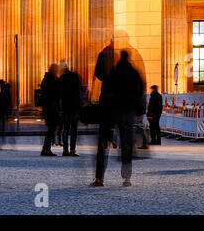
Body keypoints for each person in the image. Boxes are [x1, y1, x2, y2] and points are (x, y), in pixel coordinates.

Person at [92, 46, 145, 188]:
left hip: (111, 112)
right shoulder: (134, 73)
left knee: (103, 145)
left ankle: (99, 178)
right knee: (127, 145)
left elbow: (106, 90)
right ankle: (126, 178)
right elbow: (140, 91)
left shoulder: (113, 72)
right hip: (128, 113)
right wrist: (140, 111)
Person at [58, 61, 82, 156]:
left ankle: (65, 150)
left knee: (66, 128)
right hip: (75, 105)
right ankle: (72, 150)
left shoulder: (61, 79)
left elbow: (59, 95)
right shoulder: (75, 76)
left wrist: (60, 108)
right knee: (74, 129)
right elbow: (79, 89)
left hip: (66, 107)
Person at [39, 64, 61, 156]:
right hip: (51, 107)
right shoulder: (51, 80)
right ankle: (46, 149)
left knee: (51, 129)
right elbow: (53, 94)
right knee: (52, 129)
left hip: (48, 107)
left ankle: (46, 149)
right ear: (53, 70)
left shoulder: (47, 79)